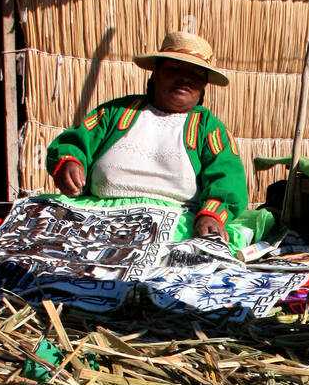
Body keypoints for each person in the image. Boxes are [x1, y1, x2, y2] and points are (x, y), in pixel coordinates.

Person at [46, 31, 250, 245]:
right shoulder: (116, 112)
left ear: (203, 86)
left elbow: (227, 177)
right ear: (156, 73)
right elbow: (75, 142)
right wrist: (69, 161)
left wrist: (211, 214)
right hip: (97, 219)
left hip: (176, 226)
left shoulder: (208, 128)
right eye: (175, 68)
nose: (185, 79)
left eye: (197, 74)